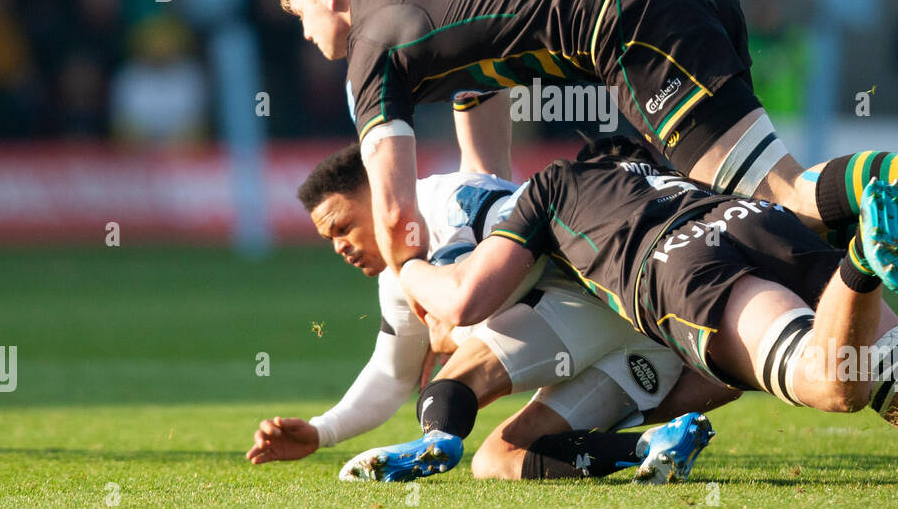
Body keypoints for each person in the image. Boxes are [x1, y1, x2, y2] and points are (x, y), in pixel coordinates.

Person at [276, 0, 898, 286]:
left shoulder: (373, 48)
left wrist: (419, 291)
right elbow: (488, 174)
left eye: (300, 18)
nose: (307, 38)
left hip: (633, 17)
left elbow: (397, 219)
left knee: (774, 193)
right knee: (737, 199)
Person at [395, 138, 898, 492]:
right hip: (755, 225)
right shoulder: (664, 168)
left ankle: (865, 263)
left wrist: (415, 271)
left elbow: (466, 300)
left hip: (683, 273)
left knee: (830, 384)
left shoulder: (551, 189)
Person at [245, 143, 728, 483]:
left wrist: (447, 332)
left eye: (342, 226)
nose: (339, 247)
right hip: (634, 346)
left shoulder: (451, 201)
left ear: (380, 192)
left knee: (452, 381)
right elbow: (393, 374)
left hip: (599, 301)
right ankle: (653, 447)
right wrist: (321, 430)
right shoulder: (400, 269)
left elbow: (480, 296)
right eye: (328, 239)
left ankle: (438, 442)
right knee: (500, 458)